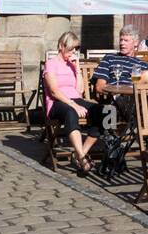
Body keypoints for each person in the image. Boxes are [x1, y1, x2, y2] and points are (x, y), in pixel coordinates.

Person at [43, 31, 105, 175]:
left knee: (107, 112)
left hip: (75, 100)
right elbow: (54, 91)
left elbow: (80, 91)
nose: (74, 52)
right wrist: (74, 105)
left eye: (76, 49)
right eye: (71, 49)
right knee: (71, 112)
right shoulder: (51, 64)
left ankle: (80, 153)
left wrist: (77, 68)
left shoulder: (72, 65)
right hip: (57, 102)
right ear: (61, 46)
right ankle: (83, 159)